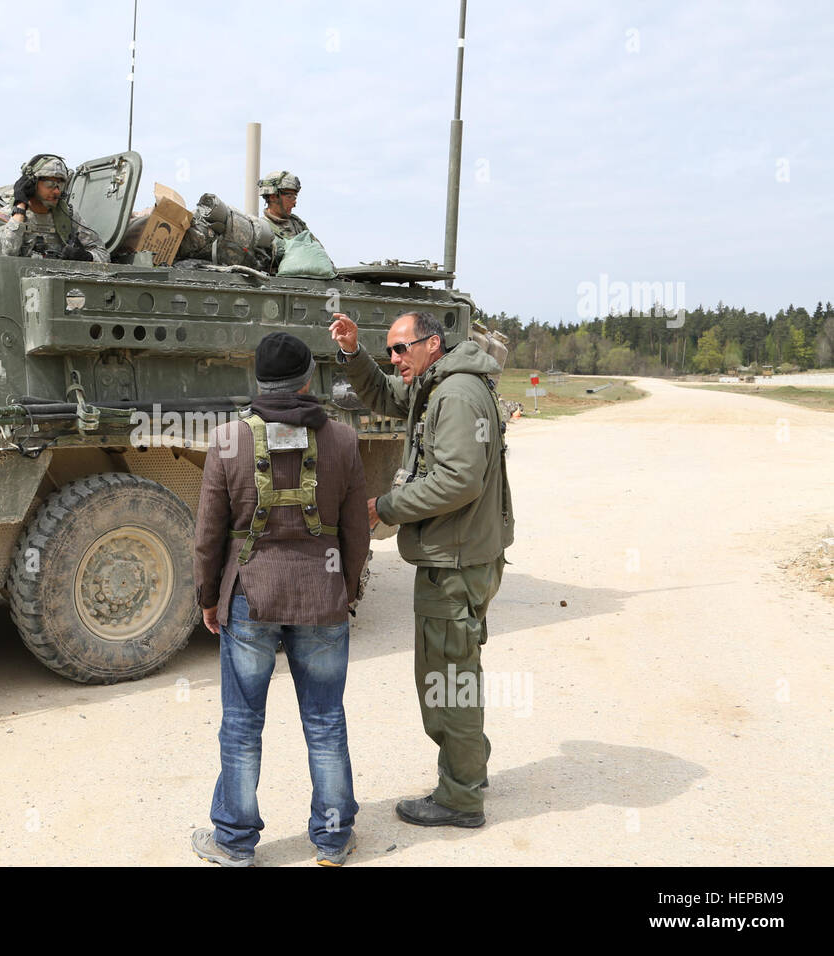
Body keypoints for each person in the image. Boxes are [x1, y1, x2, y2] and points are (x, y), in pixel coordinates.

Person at [329, 309, 515, 828]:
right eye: (388, 350)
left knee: (446, 680)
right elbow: (388, 396)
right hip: (462, 552)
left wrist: (385, 507)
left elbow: (460, 480)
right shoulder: (438, 382)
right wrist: (353, 355)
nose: (395, 359)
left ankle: (459, 799)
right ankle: (468, 772)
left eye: (400, 349)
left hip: (454, 560)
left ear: (432, 344)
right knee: (458, 673)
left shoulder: (454, 396)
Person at [191, 332, 371, 866]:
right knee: (325, 721)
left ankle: (234, 843)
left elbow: (208, 535)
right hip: (322, 597)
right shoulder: (343, 439)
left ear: (258, 380)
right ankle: (334, 840)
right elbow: (357, 532)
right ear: (308, 381)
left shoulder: (227, 440)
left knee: (242, 725)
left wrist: (208, 597)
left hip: (250, 597)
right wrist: (349, 588)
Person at [0, 154, 109, 262]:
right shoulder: (6, 214)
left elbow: (103, 254)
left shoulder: (67, 216)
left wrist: (86, 256)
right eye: (50, 184)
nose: (56, 192)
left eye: (60, 185)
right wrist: (19, 210)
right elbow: (5, 253)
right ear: (32, 184)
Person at [258, 170, 312, 240]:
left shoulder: (298, 224)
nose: (294, 203)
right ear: (273, 197)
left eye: (295, 197)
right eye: (289, 197)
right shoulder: (261, 229)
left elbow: (316, 248)